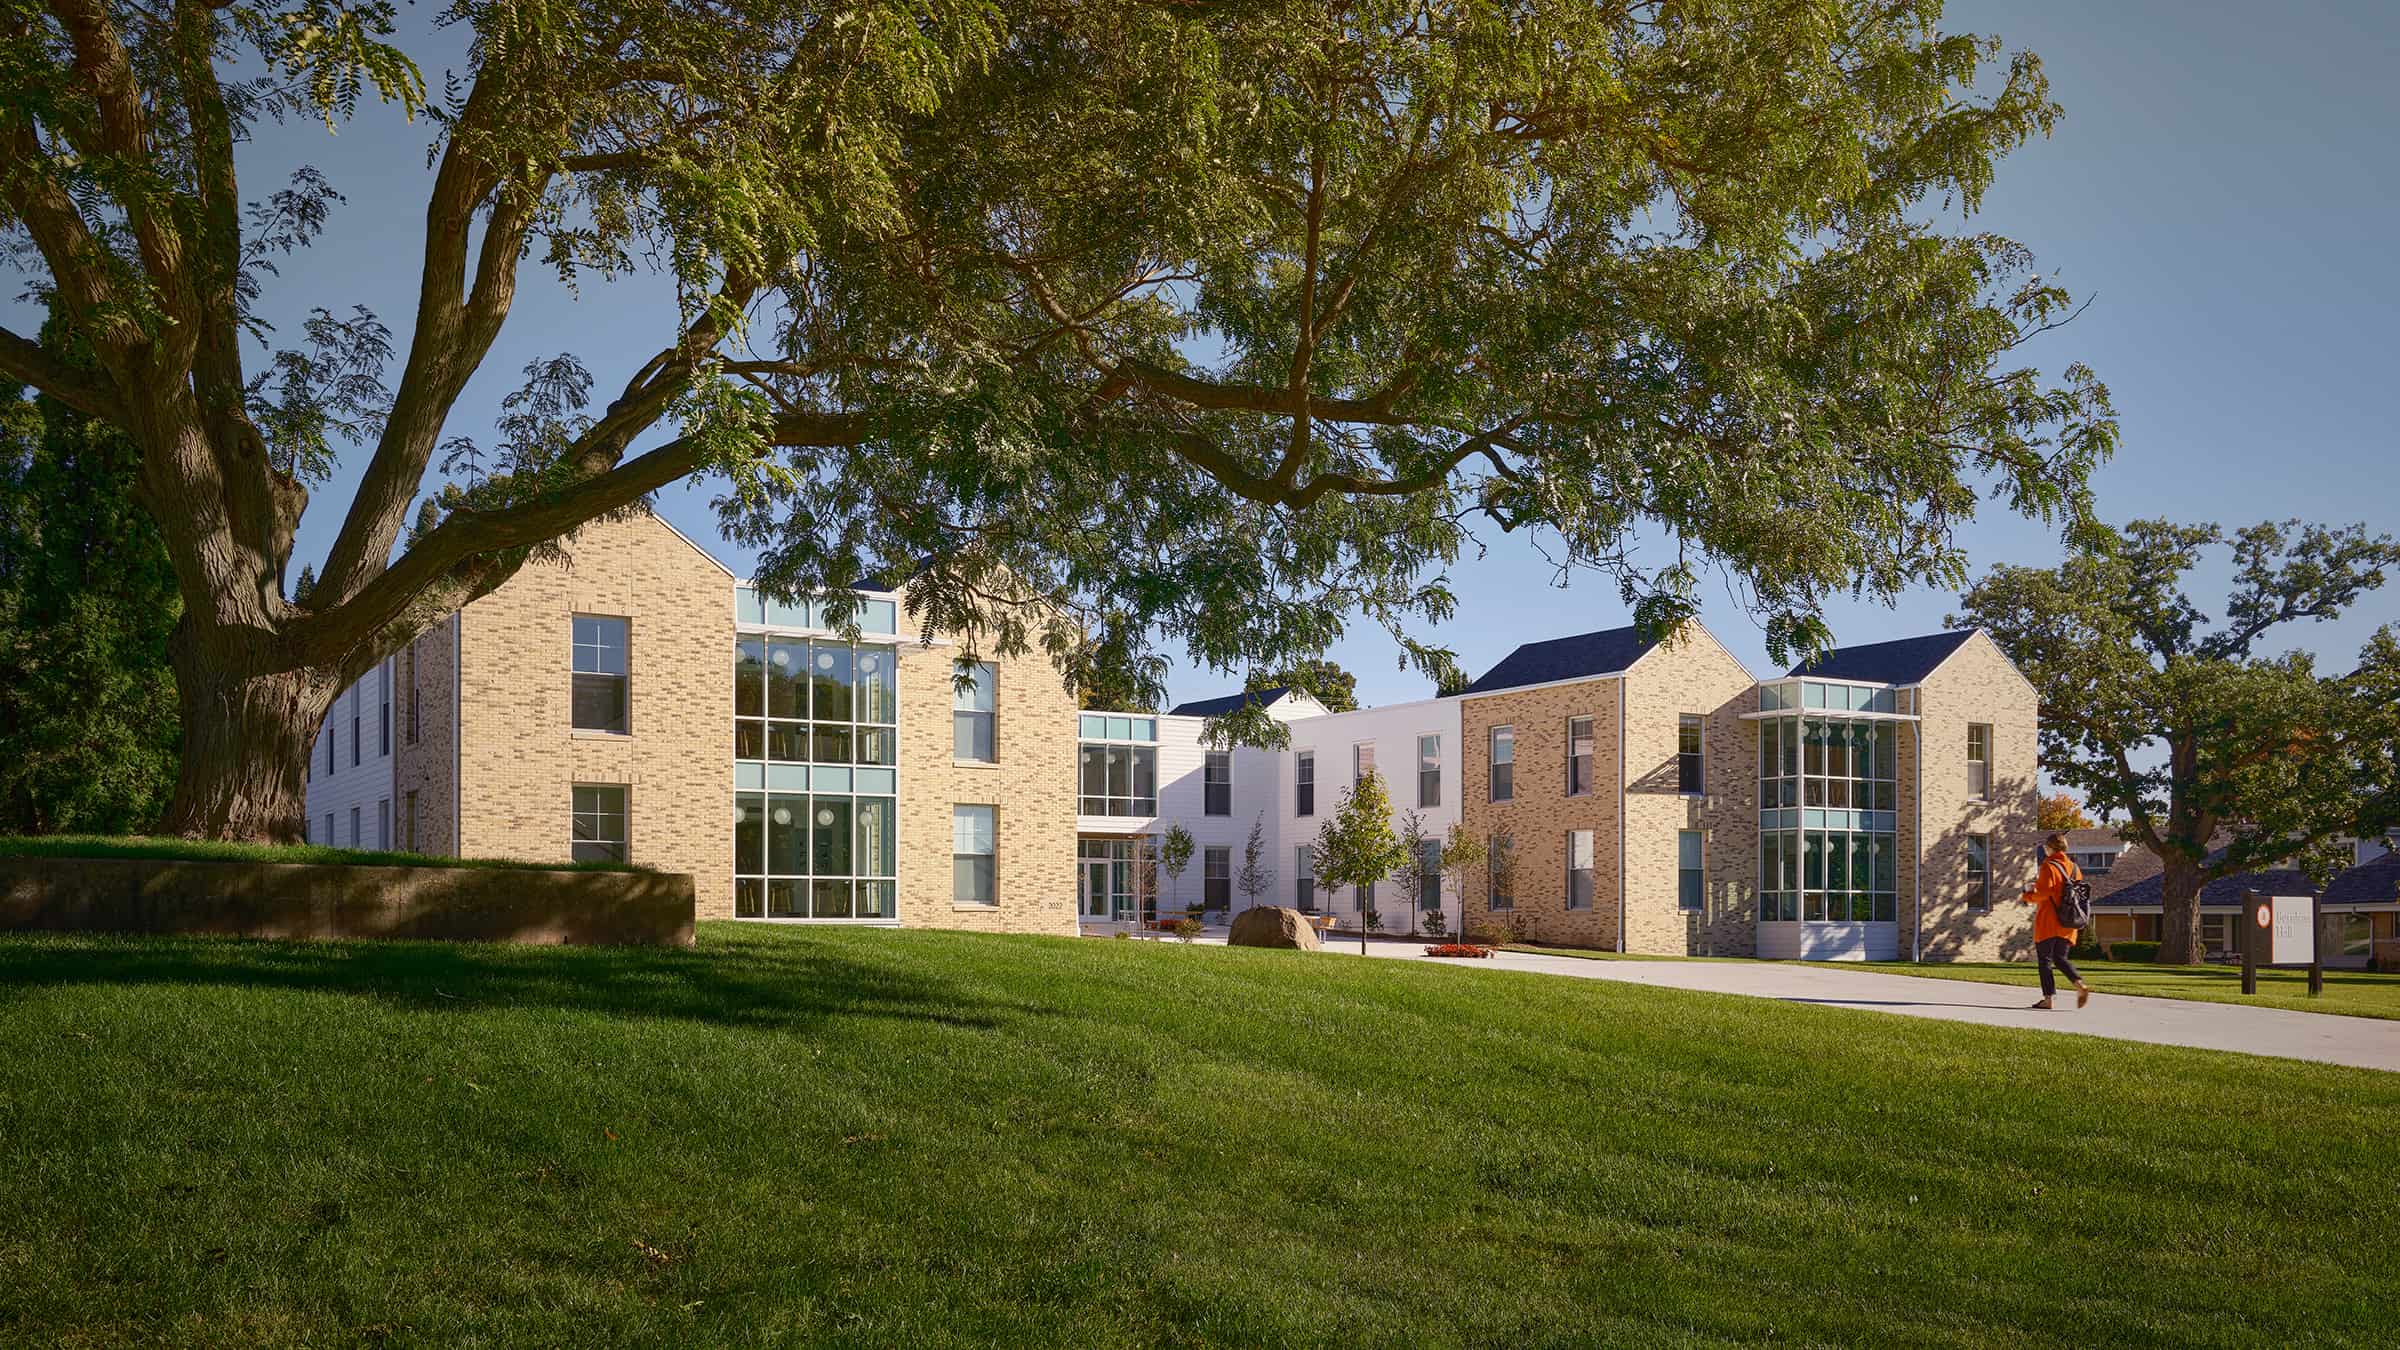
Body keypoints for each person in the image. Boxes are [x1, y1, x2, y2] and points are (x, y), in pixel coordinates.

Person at [2019, 833, 2091, 1010]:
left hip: (2049, 920)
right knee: (2060, 958)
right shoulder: (2074, 868)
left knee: (2045, 960)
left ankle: (2048, 998)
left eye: (2046, 846)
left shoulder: (2048, 866)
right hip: (2068, 921)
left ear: (2049, 847)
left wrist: (2027, 895)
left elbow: (2044, 892)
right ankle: (2080, 985)